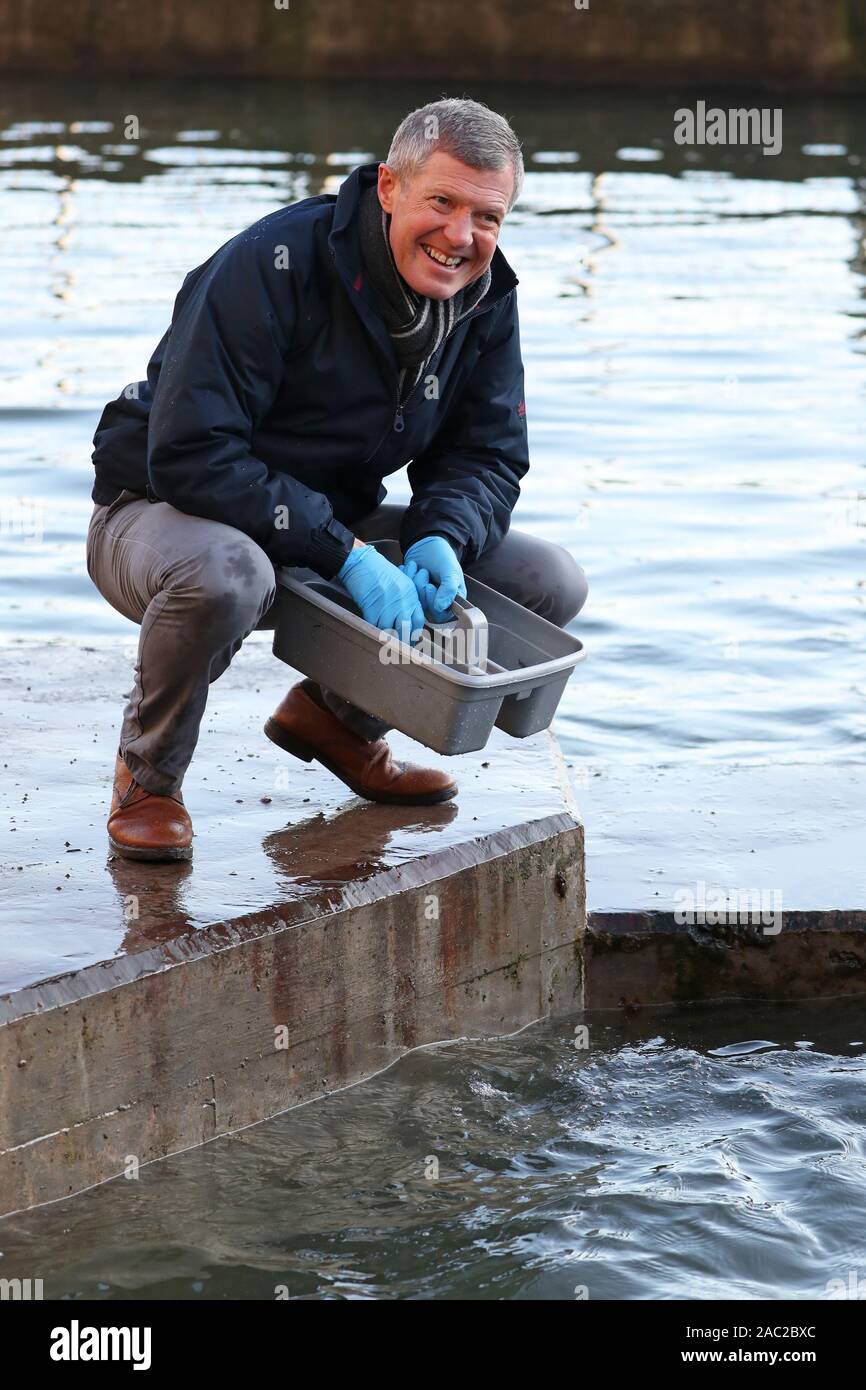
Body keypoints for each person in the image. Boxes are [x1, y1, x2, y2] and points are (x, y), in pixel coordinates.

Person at [86, 97, 588, 862]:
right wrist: (345, 551)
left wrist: (442, 534)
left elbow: (487, 456)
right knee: (229, 574)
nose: (461, 237)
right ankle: (147, 778)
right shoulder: (270, 262)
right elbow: (190, 453)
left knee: (545, 579)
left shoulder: (486, 301)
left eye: (486, 217)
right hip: (161, 511)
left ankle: (337, 721)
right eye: (442, 203)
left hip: (330, 523)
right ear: (389, 188)